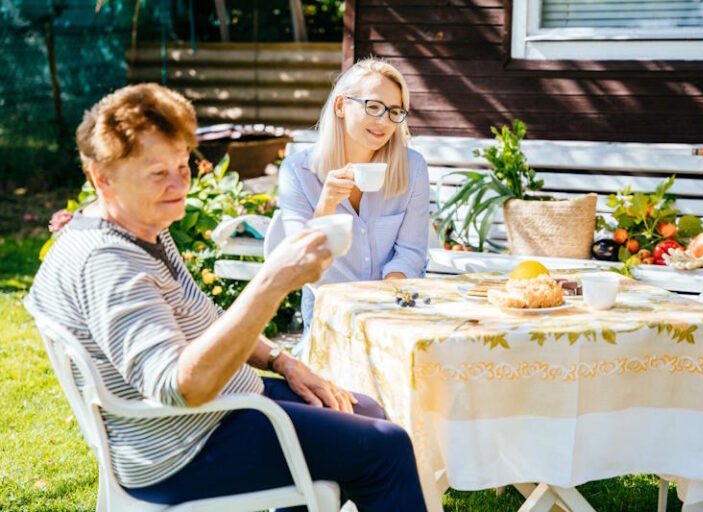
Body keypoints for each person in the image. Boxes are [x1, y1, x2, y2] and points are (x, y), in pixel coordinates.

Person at [24, 83, 427, 511]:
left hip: (221, 412)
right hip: (181, 449)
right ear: (101, 178)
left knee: (364, 410)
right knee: (387, 448)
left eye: (183, 166)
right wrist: (271, 283)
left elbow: (207, 318)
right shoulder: (107, 262)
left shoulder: (143, 223)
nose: (179, 184)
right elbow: (182, 387)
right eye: (158, 173)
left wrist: (283, 361)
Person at [278, 58, 430, 354]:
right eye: (373, 107)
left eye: (394, 112)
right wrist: (326, 205)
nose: (384, 121)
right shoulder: (298, 173)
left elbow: (410, 251)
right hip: (330, 319)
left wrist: (386, 302)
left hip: (393, 315)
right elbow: (300, 261)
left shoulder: (413, 169)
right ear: (340, 106)